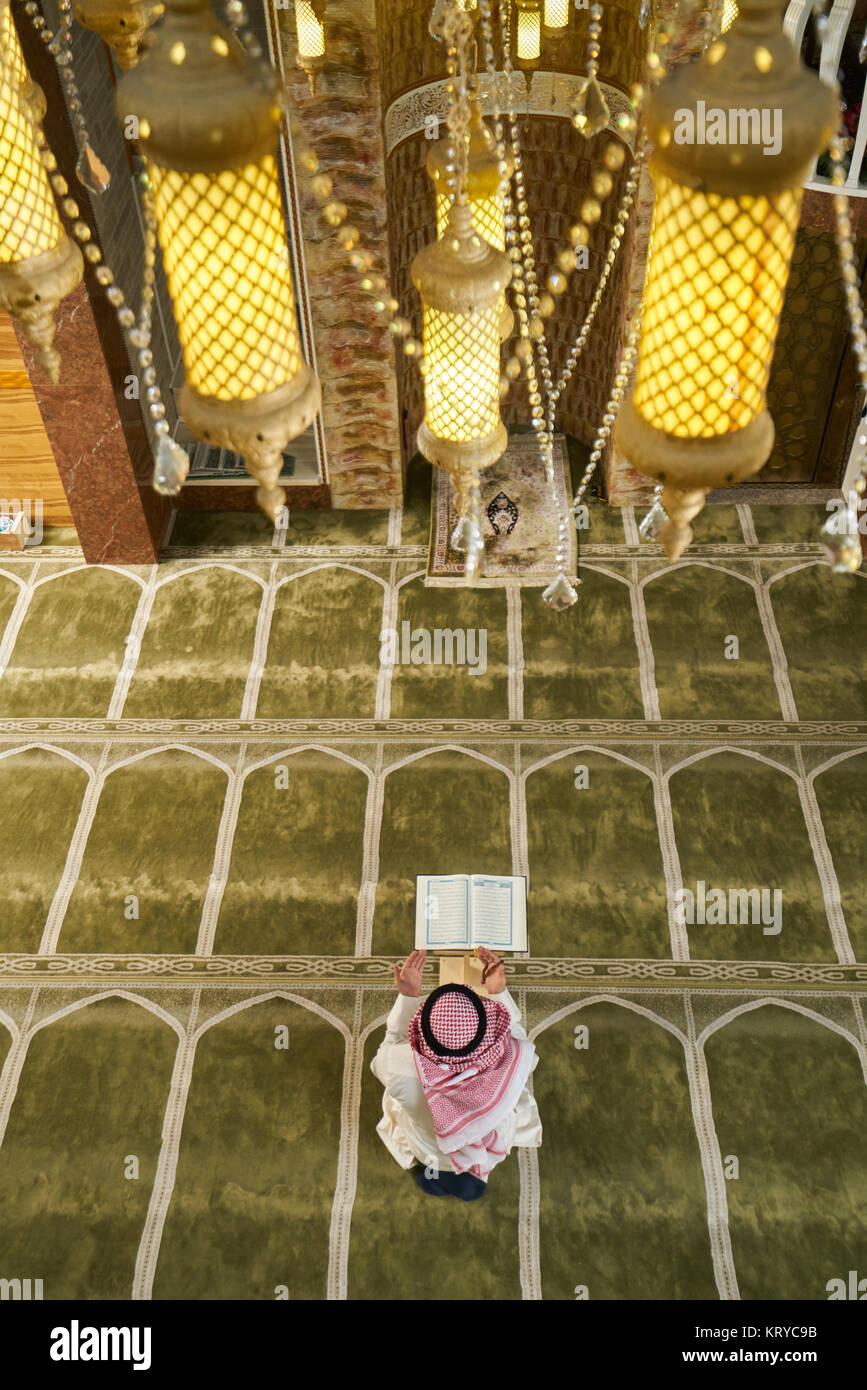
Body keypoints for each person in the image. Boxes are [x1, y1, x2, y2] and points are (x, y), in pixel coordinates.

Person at [370, 946, 542, 1201]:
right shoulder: (512, 1054)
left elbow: (391, 1043)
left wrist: (407, 996)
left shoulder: (396, 1064)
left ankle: (438, 1176)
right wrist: (498, 991)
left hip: (428, 1147)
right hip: (488, 1139)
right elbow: (514, 1028)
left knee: (430, 1176)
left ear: (420, 1029)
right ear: (486, 1031)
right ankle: (471, 1173)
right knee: (471, 1189)